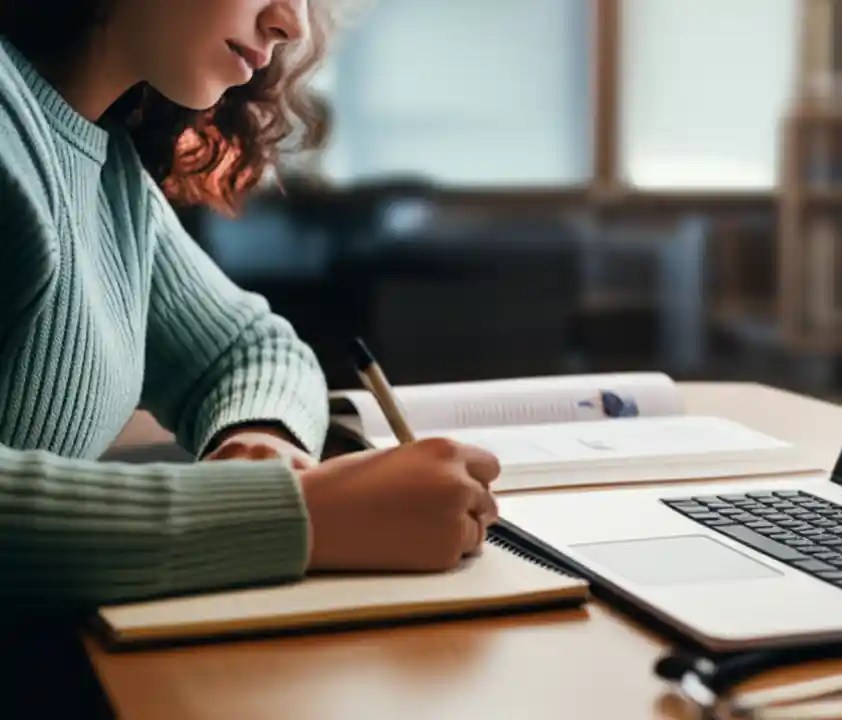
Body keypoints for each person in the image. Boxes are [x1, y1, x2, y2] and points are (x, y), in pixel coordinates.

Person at [0, 0, 502, 615]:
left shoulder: (108, 171)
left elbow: (250, 348)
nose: (289, 23)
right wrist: (307, 516)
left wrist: (259, 443)